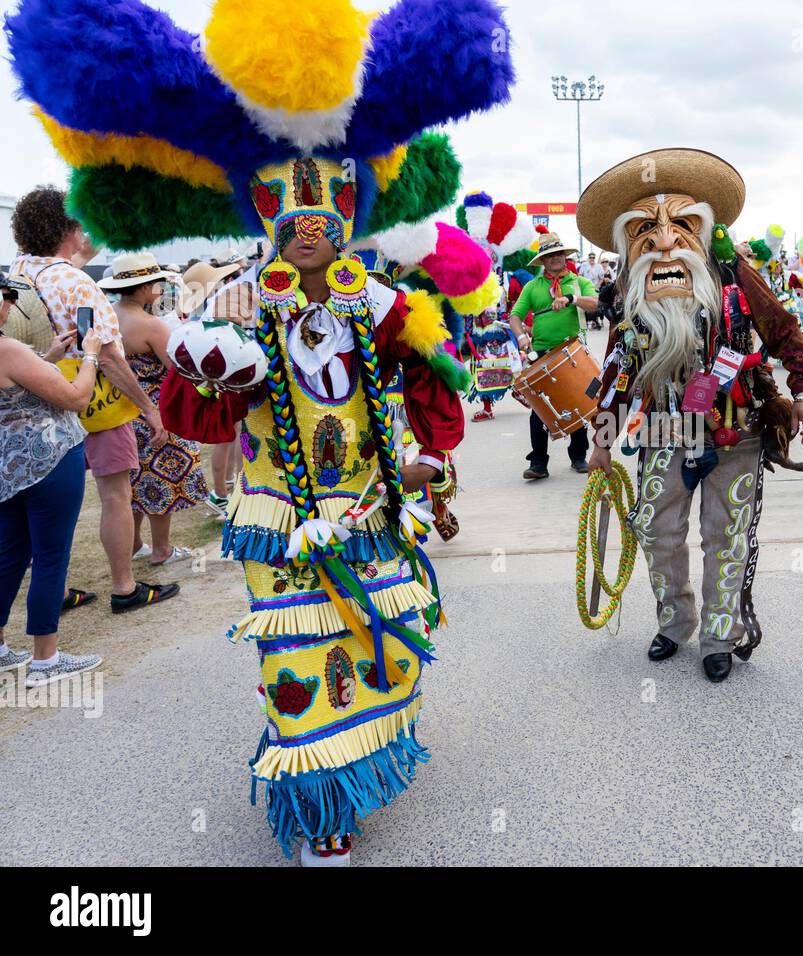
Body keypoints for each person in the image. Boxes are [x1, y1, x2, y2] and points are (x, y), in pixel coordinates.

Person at [11, 0, 512, 862]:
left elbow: (435, 380)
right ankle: (321, 807)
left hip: (371, 506)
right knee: (298, 648)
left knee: (378, 646)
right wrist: (205, 357)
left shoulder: (385, 302)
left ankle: (370, 759)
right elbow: (196, 412)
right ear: (258, 205)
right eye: (283, 195)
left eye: (325, 194)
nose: (306, 216)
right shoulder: (236, 306)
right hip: (277, 515)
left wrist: (429, 457)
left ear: (354, 200)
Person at [580, 148, 803, 684]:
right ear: (629, 243)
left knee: (724, 536)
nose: (665, 240)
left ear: (704, 230)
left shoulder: (734, 277)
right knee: (657, 532)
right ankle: (675, 623)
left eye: (682, 224)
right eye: (646, 227)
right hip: (663, 432)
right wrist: (601, 437)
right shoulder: (629, 292)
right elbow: (620, 366)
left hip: (735, 433)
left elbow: (784, 331)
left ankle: (719, 635)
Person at [7, 186, 179, 613]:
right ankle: (124, 587)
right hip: (93, 402)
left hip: (31, 408)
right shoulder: (74, 281)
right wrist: (148, 406)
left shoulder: (21, 269)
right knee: (115, 496)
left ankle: (59, 589)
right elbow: (109, 356)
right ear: (69, 228)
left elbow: (70, 262)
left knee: (42, 510)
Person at [0, 274, 103, 687]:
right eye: (5, 296)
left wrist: (46, 357)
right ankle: (46, 659)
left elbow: (14, 386)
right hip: (49, 460)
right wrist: (90, 356)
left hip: (8, 468)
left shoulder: (13, 354)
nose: (10, 303)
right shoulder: (7, 349)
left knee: (8, 557)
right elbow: (77, 398)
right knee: (50, 556)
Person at [101, 254, 208, 565]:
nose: (161, 286)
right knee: (161, 480)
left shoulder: (107, 316)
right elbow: (180, 372)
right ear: (145, 286)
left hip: (120, 412)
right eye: (157, 282)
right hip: (156, 412)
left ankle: (133, 545)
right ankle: (162, 548)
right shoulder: (151, 325)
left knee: (129, 486)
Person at [509, 232, 598, 480]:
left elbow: (596, 303)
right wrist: (521, 337)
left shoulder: (578, 282)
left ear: (565, 256)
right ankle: (538, 463)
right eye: (550, 255)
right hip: (542, 355)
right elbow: (515, 316)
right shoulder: (532, 287)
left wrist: (572, 299)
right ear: (543, 260)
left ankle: (579, 456)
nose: (555, 258)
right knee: (539, 409)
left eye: (559, 253)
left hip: (573, 351)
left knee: (579, 404)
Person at [179, 259, 244, 516]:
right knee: (228, 436)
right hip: (224, 376)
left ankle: (227, 487)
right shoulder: (219, 306)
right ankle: (221, 492)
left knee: (230, 435)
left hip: (219, 375)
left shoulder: (204, 308)